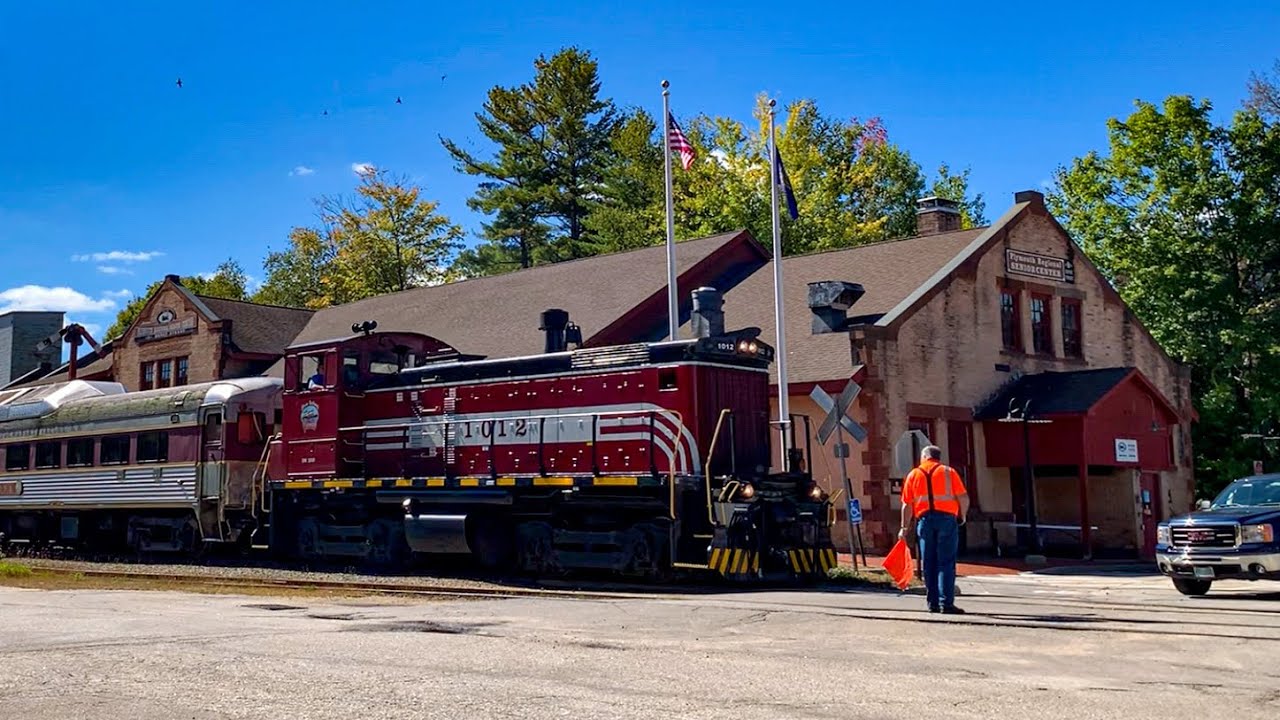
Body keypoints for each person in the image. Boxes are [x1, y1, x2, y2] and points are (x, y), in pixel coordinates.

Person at [899, 445, 970, 614]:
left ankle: (933, 603)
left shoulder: (914, 474)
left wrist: (904, 528)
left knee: (928, 562)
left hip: (924, 520)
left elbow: (906, 505)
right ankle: (947, 603)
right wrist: (963, 515)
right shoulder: (949, 472)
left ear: (924, 457)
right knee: (946, 562)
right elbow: (963, 497)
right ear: (938, 457)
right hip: (946, 520)